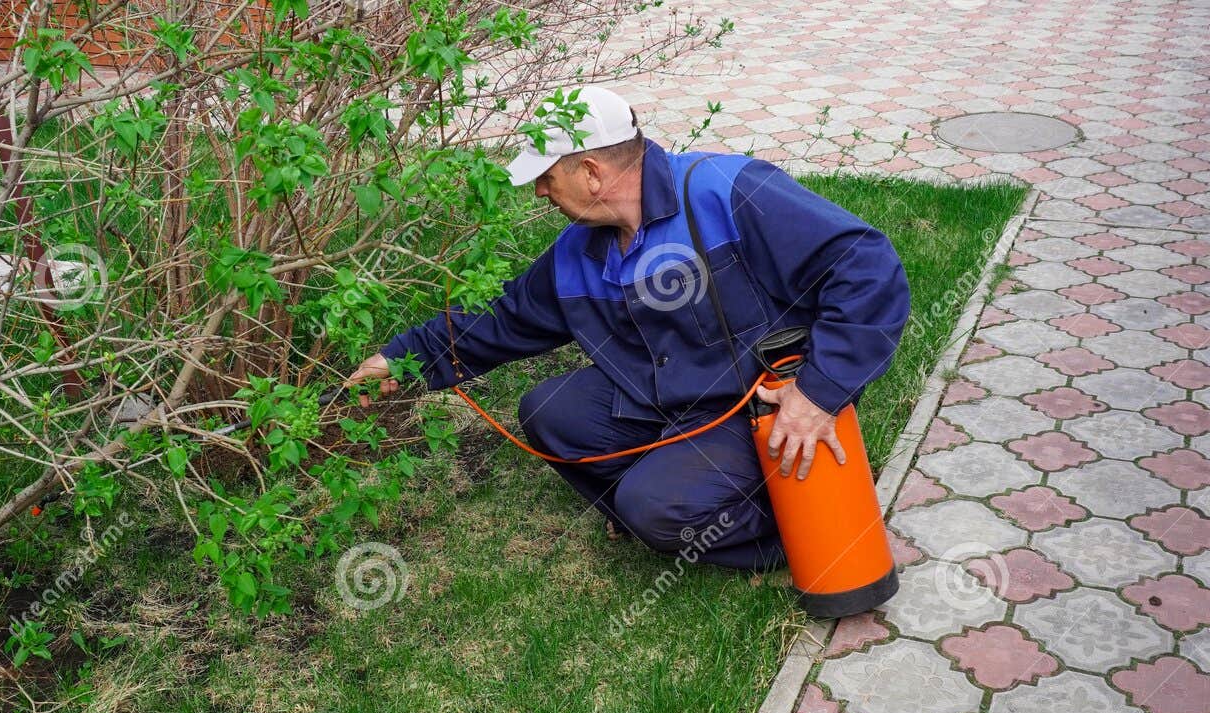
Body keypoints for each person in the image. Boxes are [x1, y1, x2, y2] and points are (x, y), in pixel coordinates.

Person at [346, 85, 910, 571]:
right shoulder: (580, 250)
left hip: (759, 404)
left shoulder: (726, 190)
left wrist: (818, 393)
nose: (540, 193)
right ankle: (674, 492)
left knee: (656, 510)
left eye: (545, 178)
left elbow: (866, 265)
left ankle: (791, 526)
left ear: (590, 172)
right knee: (552, 412)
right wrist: (401, 360)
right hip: (668, 396)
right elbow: (506, 317)